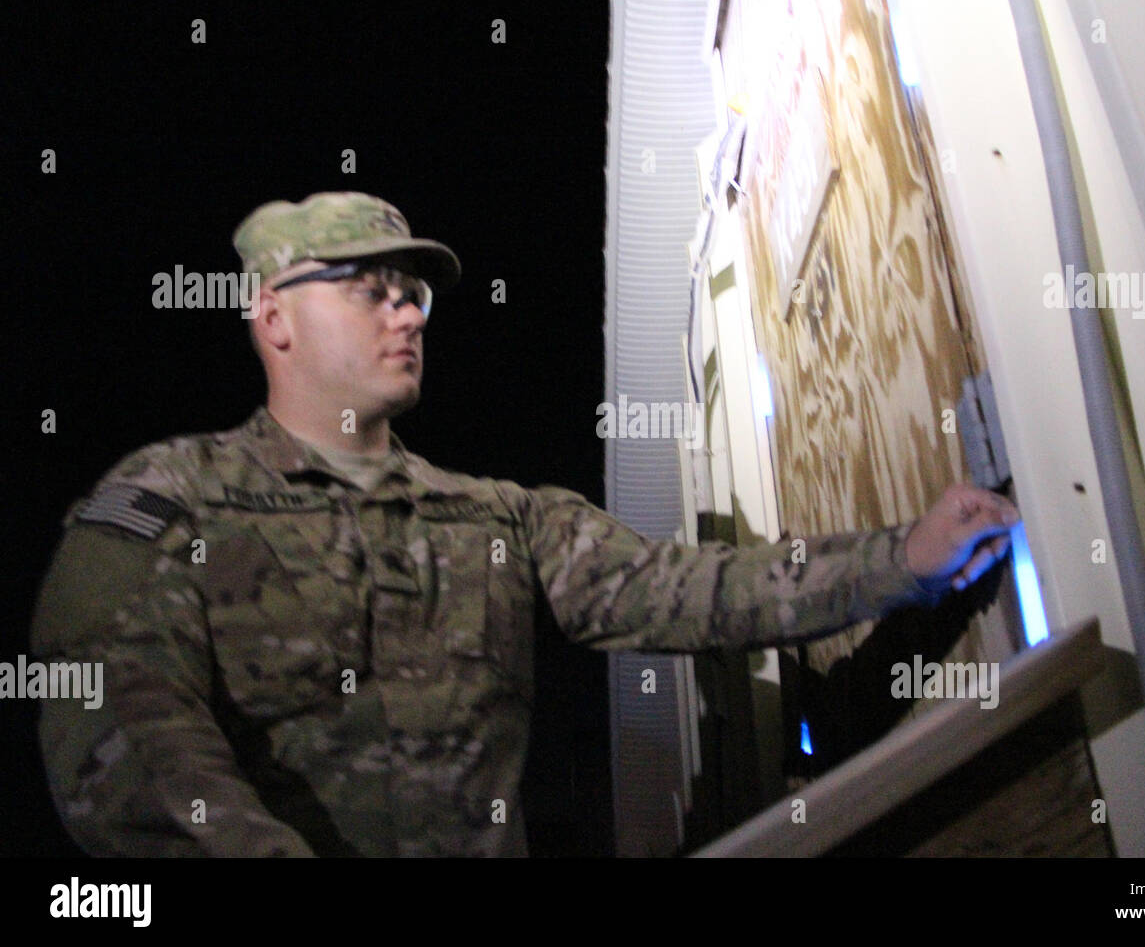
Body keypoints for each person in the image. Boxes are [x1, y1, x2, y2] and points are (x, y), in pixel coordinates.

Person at [30, 191, 1019, 857]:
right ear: (273, 317)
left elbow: (686, 588)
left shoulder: (496, 516)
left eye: (412, 296)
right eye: (371, 291)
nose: (409, 315)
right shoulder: (172, 497)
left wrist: (904, 557)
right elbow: (127, 730)